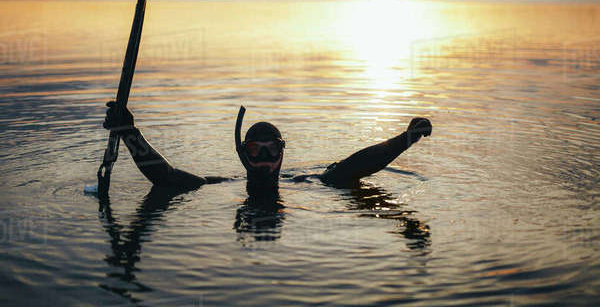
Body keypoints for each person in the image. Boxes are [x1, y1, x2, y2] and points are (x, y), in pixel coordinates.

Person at [103, 102, 432, 195]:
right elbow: (166, 176)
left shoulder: (315, 182)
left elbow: (356, 164)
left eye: (270, 151)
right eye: (255, 151)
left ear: (282, 154)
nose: (263, 159)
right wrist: (130, 133)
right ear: (243, 154)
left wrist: (405, 138)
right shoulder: (211, 186)